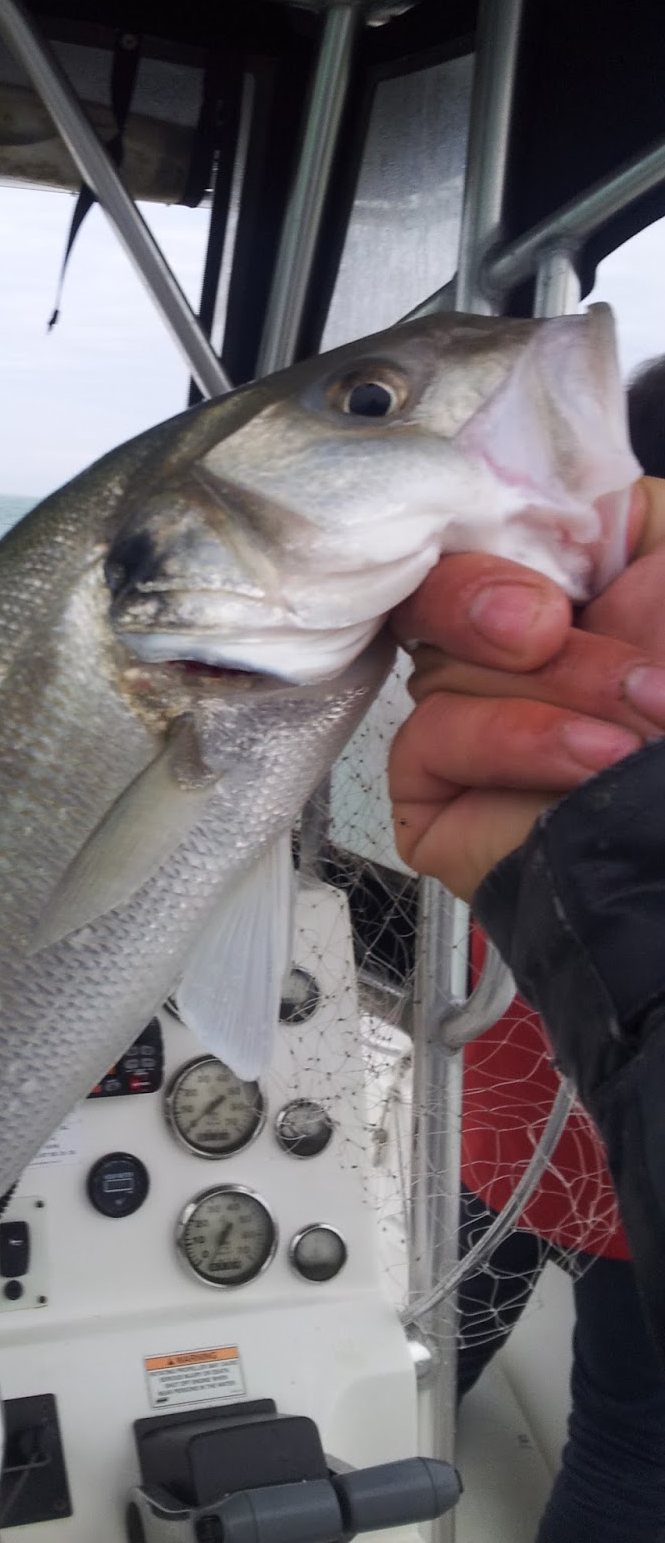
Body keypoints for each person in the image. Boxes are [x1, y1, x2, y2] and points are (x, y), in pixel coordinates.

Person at [387, 465, 665, 1542]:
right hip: (614, 1184)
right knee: (632, 1442)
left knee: (437, 1343)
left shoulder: (531, 762)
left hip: (506, 1146)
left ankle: (391, 1446)